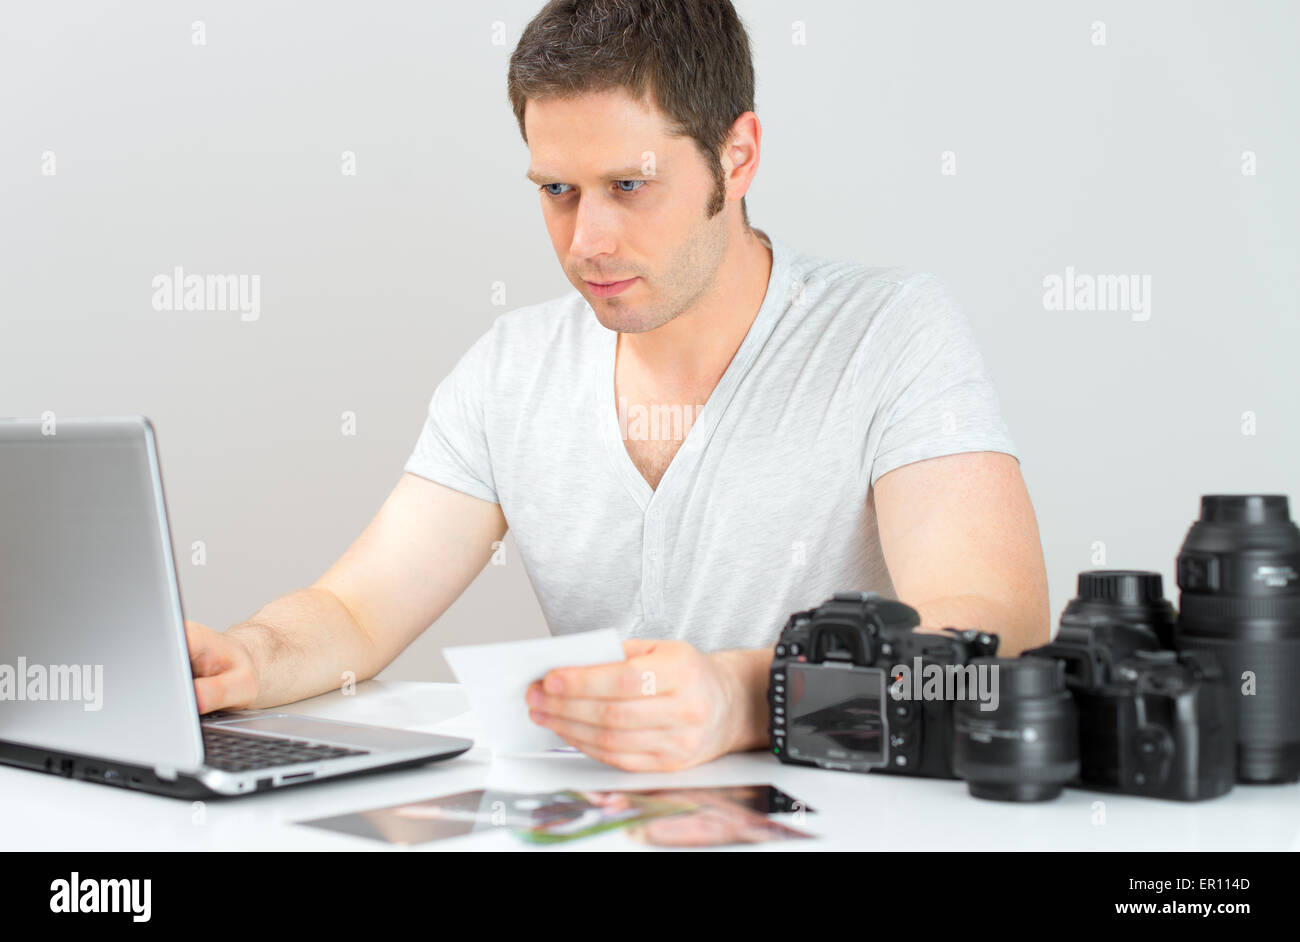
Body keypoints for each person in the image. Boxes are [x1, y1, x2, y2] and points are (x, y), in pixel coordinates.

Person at [186, 0, 1050, 772]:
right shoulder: (510, 370)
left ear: (737, 156)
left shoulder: (888, 331)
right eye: (558, 190)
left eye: (629, 186)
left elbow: (993, 628)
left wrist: (746, 699)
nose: (586, 241)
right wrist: (253, 657)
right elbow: (354, 611)